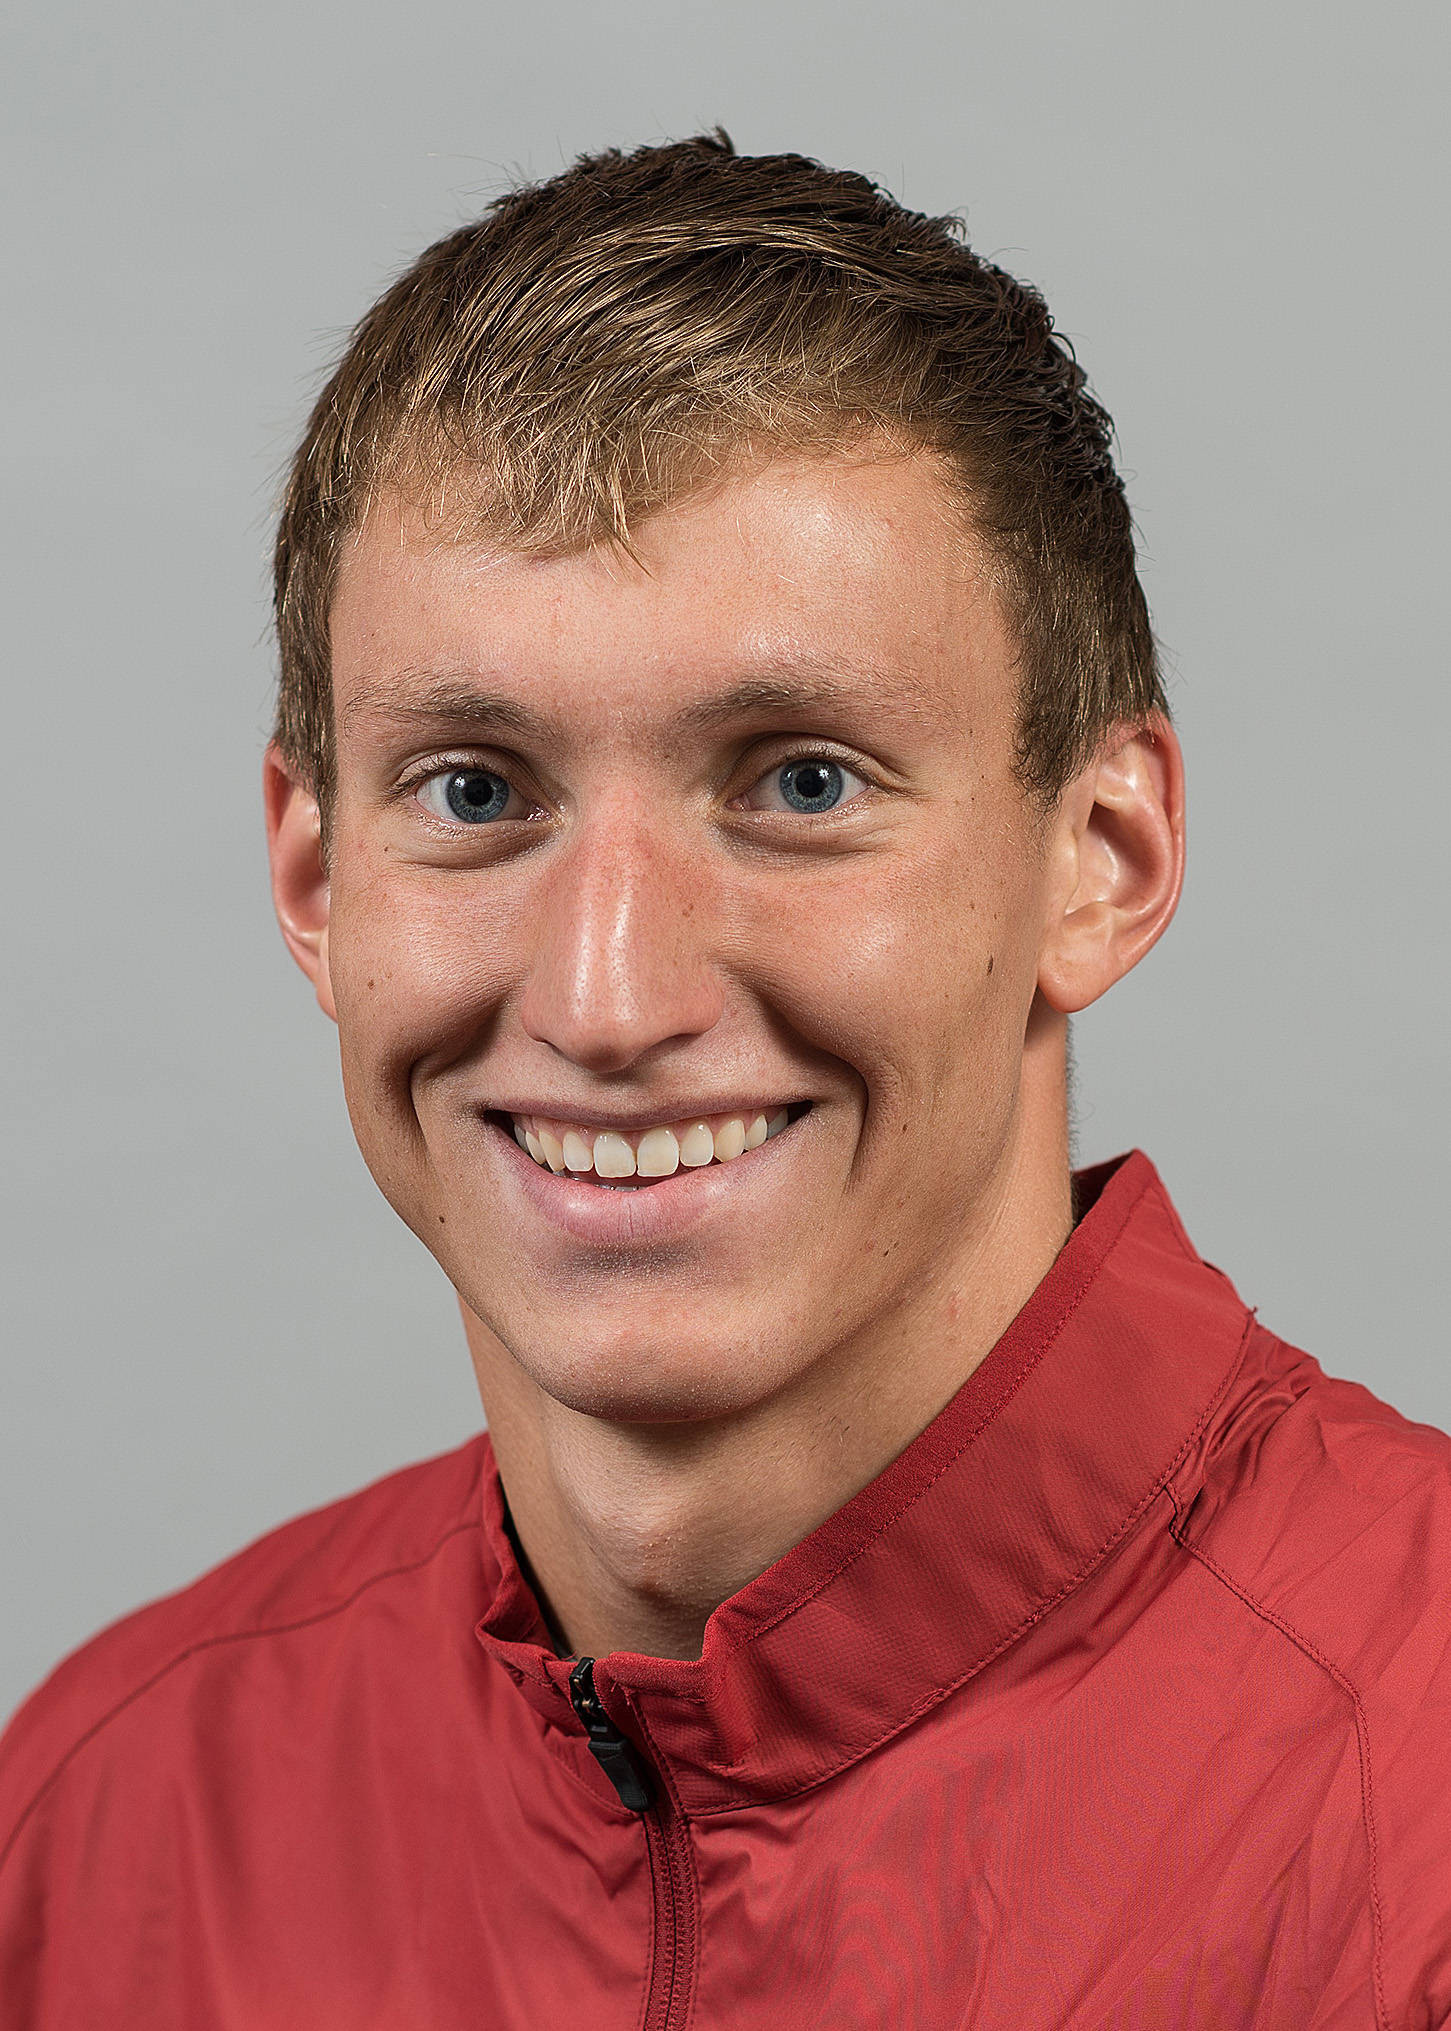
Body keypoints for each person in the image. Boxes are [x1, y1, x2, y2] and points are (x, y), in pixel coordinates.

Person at [1, 130, 1447, 2030]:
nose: (609, 1000)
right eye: (475, 794)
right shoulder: (108, 1816)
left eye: (800, 782)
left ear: (1101, 858)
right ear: (317, 884)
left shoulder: (1417, 1788)